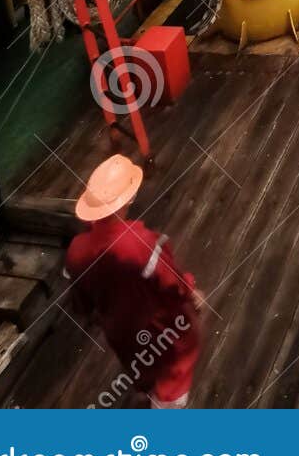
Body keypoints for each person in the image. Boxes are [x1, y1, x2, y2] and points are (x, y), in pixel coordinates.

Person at [64, 155, 203, 408]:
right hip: (160, 328)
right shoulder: (143, 243)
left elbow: (81, 303)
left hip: (120, 331)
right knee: (173, 374)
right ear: (128, 199)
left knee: (141, 366)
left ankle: (152, 394)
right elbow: (172, 284)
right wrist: (190, 290)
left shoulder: (76, 250)